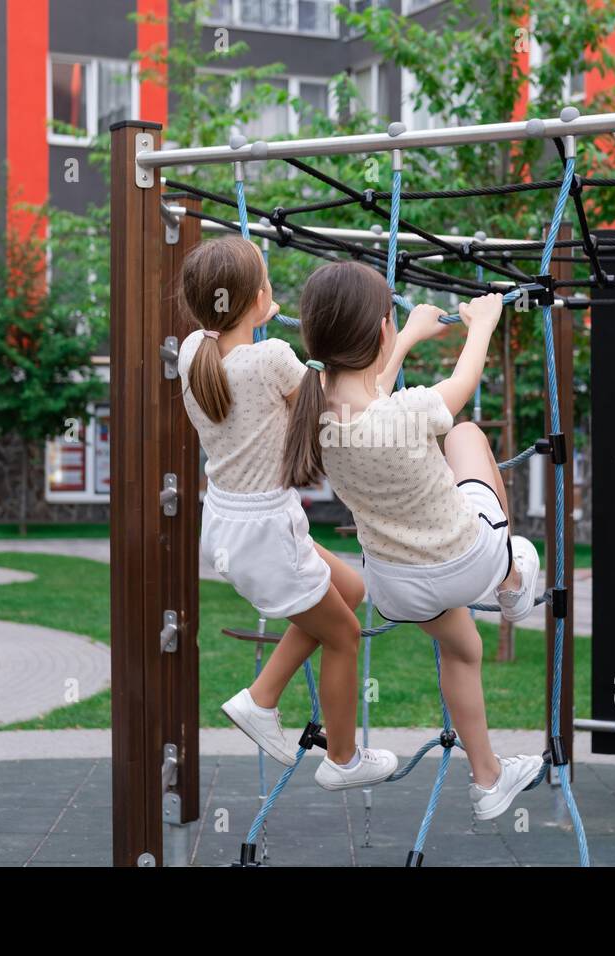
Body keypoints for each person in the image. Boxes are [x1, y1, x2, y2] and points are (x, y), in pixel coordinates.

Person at [281, 261, 544, 821]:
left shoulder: (315, 412)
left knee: (464, 649)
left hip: (397, 587)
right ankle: (513, 577)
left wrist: (407, 336)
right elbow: (463, 385)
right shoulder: (408, 410)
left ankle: (488, 778)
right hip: (465, 560)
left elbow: (365, 388)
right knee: (469, 434)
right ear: (379, 330)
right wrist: (483, 325)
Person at [177, 237, 397, 791]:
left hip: (229, 522)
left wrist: (255, 315)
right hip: (266, 530)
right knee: (345, 635)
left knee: (348, 588)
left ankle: (260, 698)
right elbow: (329, 405)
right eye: (267, 285)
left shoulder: (191, 353)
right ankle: (343, 760)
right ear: (256, 296)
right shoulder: (270, 358)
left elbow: (244, 369)